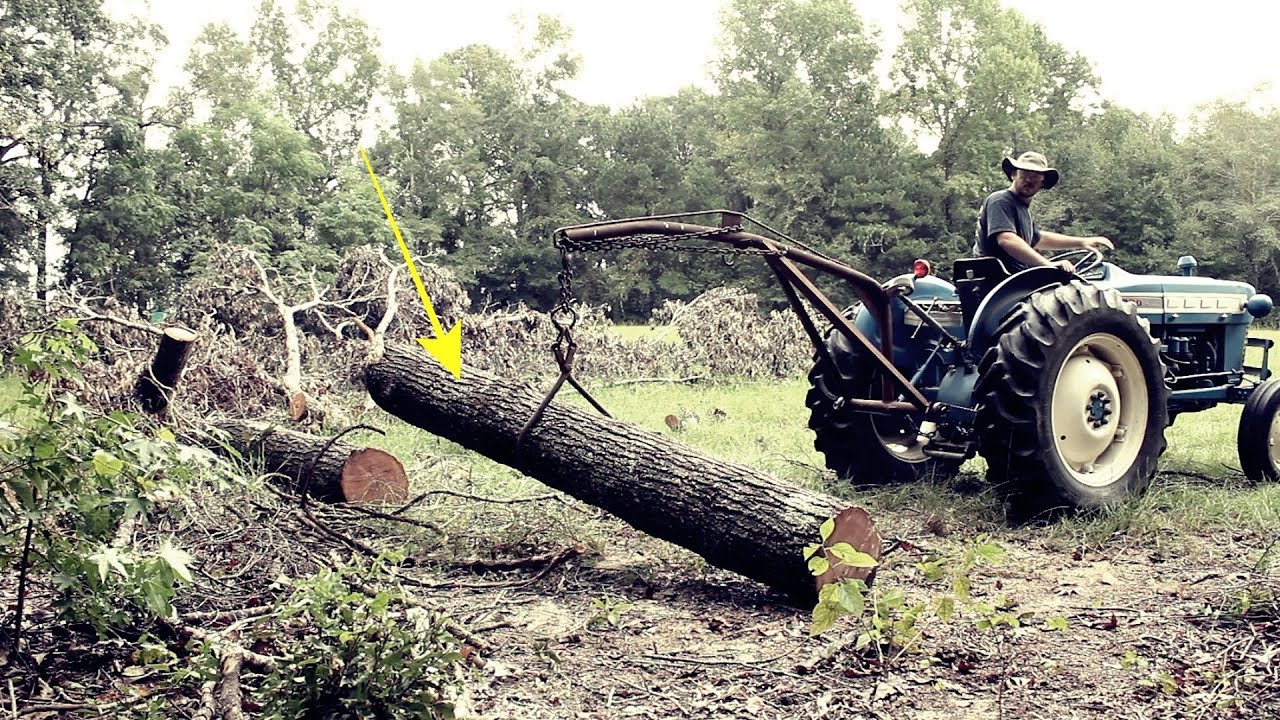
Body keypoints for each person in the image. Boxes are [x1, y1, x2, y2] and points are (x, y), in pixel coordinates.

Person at [973, 151, 1113, 273]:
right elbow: (1007, 240)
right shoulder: (1000, 200)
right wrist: (1048, 265)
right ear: (1014, 174)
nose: (1029, 179)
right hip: (996, 280)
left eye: (1036, 175)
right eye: (1025, 173)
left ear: (1043, 182)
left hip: (1017, 279)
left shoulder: (1023, 210)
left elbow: (1038, 239)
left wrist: (1082, 242)